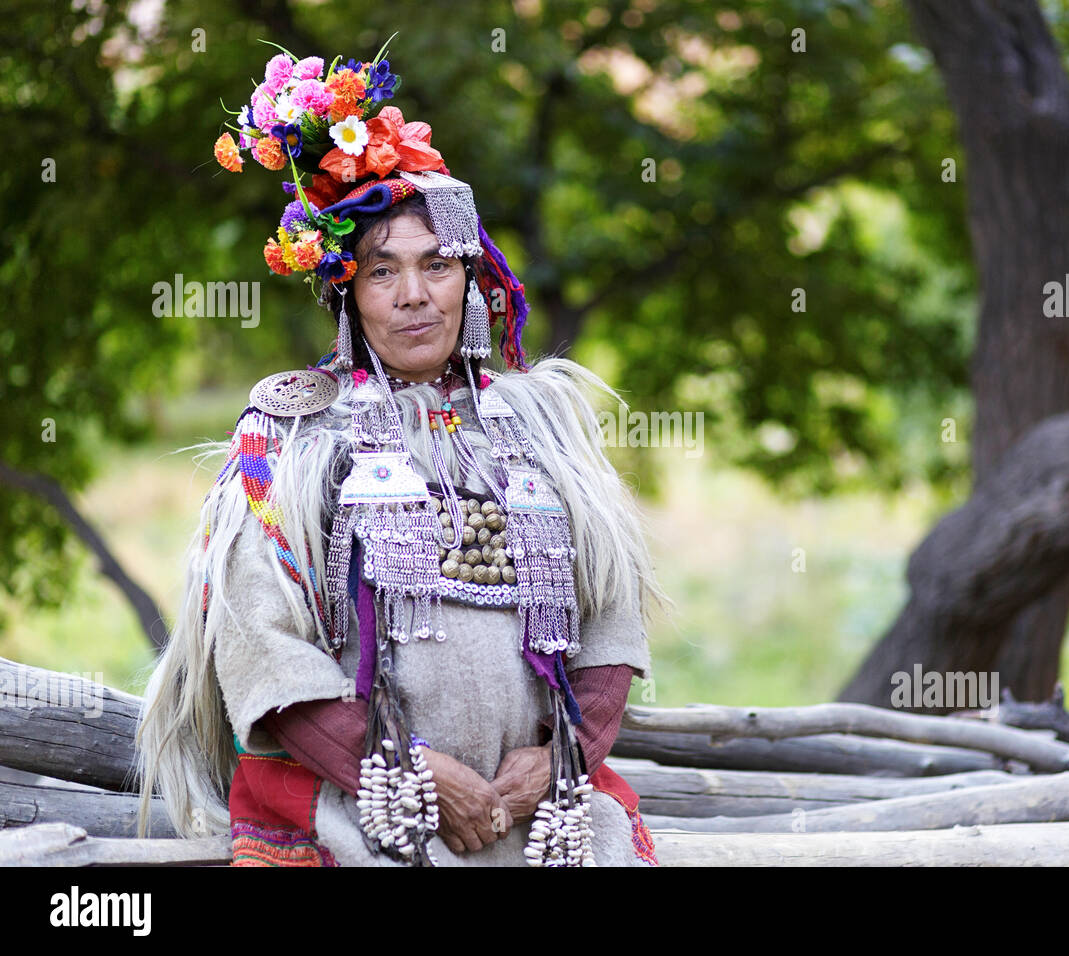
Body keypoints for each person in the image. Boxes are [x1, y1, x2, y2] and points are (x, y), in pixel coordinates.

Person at [134, 46, 668, 866]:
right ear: (346, 291)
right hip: (363, 810)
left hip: (543, 815)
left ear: (470, 279)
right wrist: (403, 771)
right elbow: (261, 647)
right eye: (383, 270)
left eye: (436, 265)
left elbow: (611, 622)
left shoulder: (546, 425)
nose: (414, 295)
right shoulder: (294, 440)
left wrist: (560, 759)